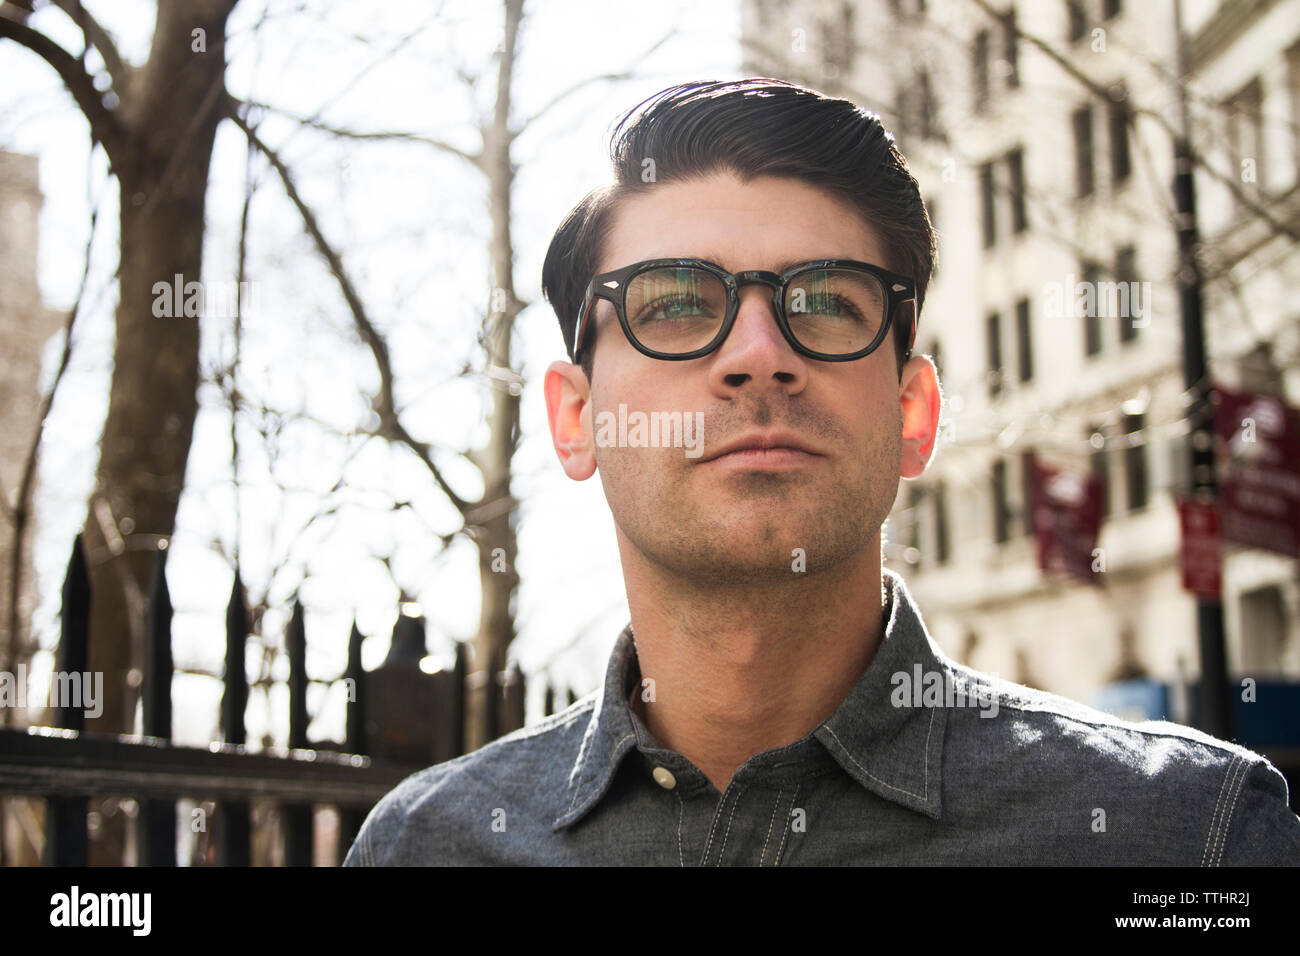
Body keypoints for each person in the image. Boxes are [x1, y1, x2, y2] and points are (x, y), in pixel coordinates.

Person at [344, 78, 1300, 865]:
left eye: (828, 303)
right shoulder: (425, 848)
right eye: (674, 304)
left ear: (913, 414)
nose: (758, 353)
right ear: (576, 418)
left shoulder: (1190, 838)